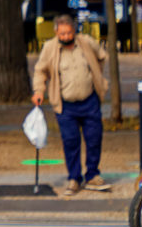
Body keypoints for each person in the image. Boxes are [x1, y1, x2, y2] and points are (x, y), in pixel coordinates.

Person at [33, 12, 110, 196]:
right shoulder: (50, 48)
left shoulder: (86, 42)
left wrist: (96, 76)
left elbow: (102, 56)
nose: (66, 37)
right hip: (65, 104)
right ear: (56, 33)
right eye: (62, 34)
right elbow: (40, 71)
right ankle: (74, 177)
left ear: (74, 31)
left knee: (94, 138)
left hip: (89, 100)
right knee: (70, 140)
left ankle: (92, 174)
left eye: (68, 33)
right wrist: (39, 91)